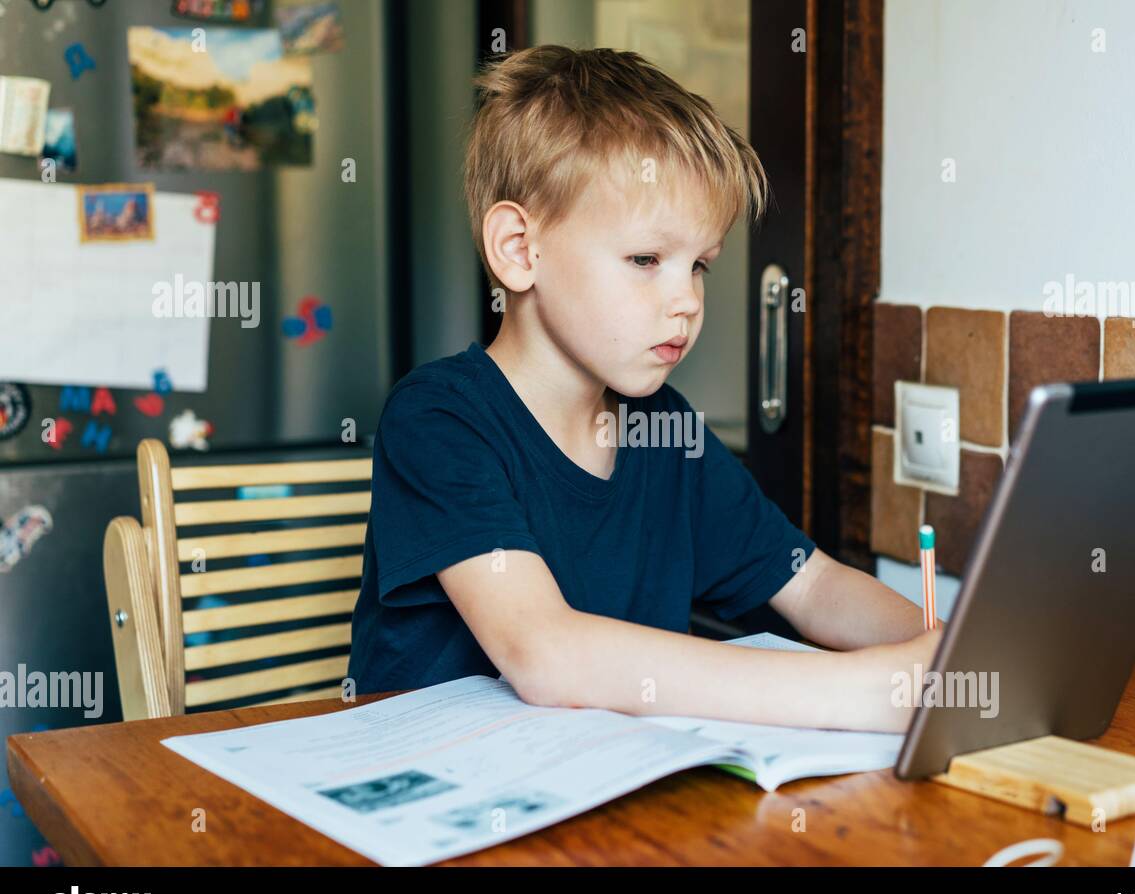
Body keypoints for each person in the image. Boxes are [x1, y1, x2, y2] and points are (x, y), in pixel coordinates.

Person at [349, 46, 943, 733]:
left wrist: (959, 657)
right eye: (645, 259)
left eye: (700, 267)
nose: (686, 300)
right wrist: (859, 693)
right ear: (518, 249)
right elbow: (546, 655)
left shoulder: (665, 428)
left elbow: (810, 583)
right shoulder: (439, 420)